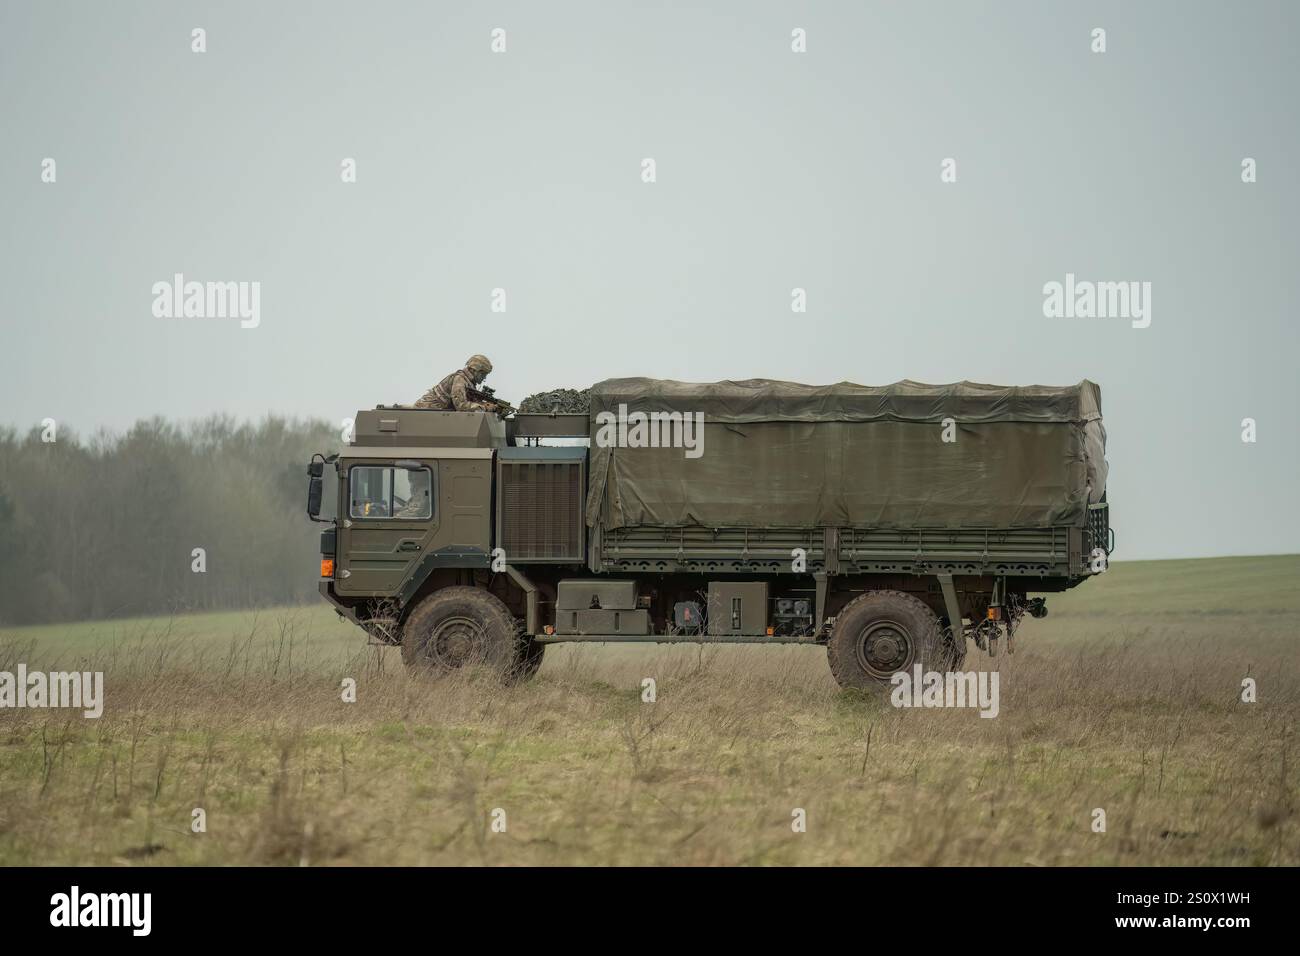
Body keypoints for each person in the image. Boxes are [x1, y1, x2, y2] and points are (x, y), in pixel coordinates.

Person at [414, 355, 496, 411]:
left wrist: (486, 404)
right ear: (475, 370)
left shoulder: (469, 382)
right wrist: (484, 407)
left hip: (435, 413)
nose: (484, 377)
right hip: (426, 410)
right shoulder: (460, 380)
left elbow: (470, 403)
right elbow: (461, 406)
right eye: (483, 374)